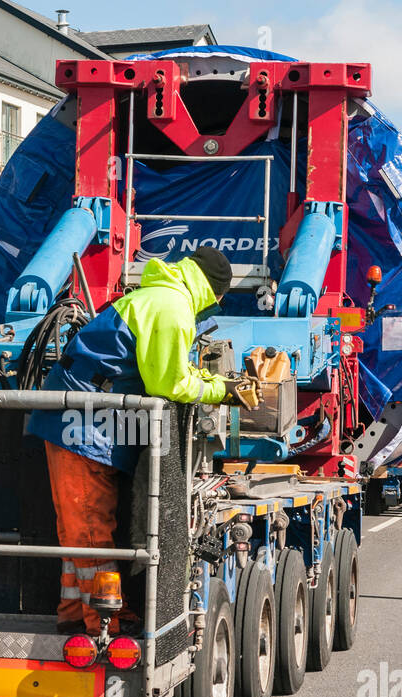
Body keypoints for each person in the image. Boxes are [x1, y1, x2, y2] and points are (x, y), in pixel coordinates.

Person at [27, 247, 247, 636]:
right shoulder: (173, 309)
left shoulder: (157, 297)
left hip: (81, 421)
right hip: (81, 425)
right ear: (214, 293)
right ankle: (105, 620)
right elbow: (169, 383)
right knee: (90, 526)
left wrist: (213, 384)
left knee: (81, 525)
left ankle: (75, 612)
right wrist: (219, 390)